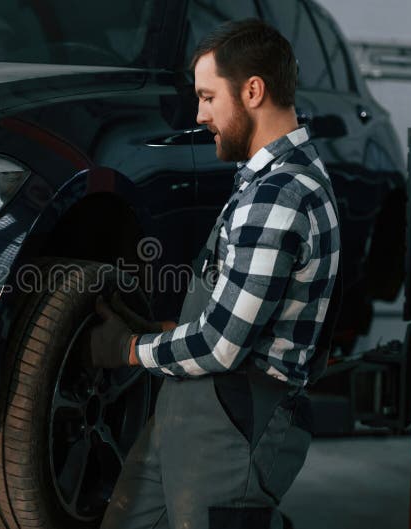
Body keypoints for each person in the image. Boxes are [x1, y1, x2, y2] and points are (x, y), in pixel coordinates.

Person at [88, 18, 340, 529]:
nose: (199, 115)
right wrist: (148, 333)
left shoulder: (279, 196)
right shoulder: (264, 184)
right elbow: (232, 314)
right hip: (194, 407)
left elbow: (222, 346)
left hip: (235, 425)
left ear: (252, 91)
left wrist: (125, 349)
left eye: (207, 97)